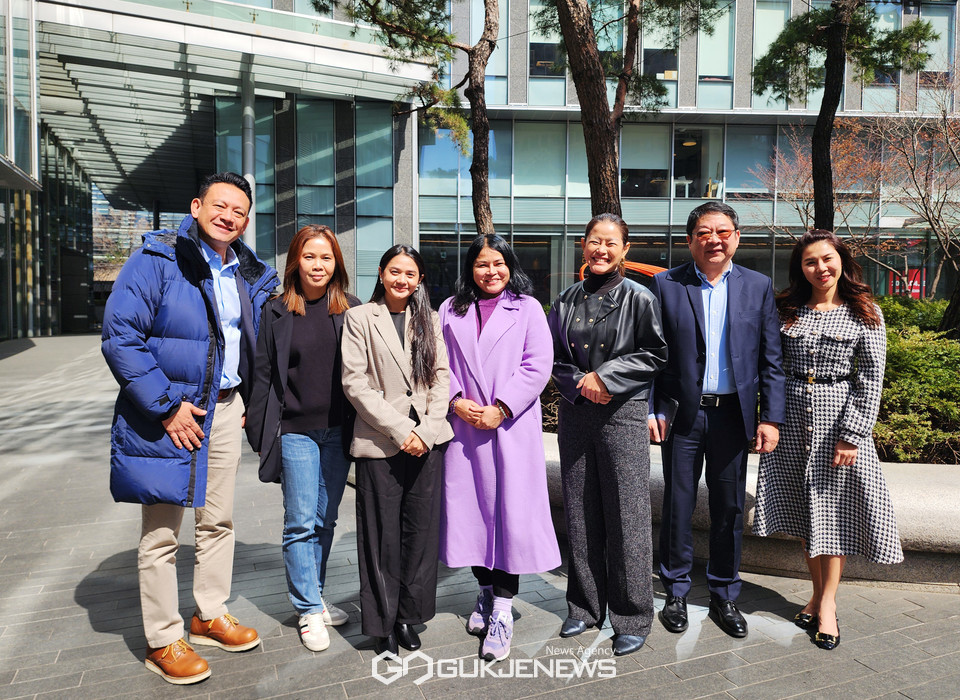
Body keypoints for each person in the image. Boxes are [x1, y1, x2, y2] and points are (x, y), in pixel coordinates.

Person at [101, 172, 278, 684]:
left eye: (239, 212)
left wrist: (244, 394)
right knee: (161, 533)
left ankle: (208, 612)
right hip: (170, 413)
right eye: (220, 206)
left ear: (247, 220)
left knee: (217, 520)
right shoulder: (159, 259)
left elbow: (252, 341)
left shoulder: (247, 272)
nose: (229, 217)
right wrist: (165, 406)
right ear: (197, 206)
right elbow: (120, 336)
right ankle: (163, 638)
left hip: (222, 409)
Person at [753, 229, 902, 651]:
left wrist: (852, 435)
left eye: (827, 259)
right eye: (810, 262)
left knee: (833, 517)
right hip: (792, 420)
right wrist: (770, 420)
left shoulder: (864, 311)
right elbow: (771, 368)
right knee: (807, 515)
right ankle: (816, 596)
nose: (820, 268)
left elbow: (871, 377)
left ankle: (829, 606)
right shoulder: (786, 309)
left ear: (841, 260)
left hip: (839, 422)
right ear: (800, 268)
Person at [649, 201, 785, 639]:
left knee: (729, 507)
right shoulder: (665, 285)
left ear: (736, 238)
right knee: (678, 504)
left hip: (733, 416)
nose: (714, 239)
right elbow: (652, 355)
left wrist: (771, 418)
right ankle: (676, 589)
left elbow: (771, 358)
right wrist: (653, 408)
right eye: (704, 232)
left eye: (723, 231)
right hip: (683, 416)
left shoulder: (757, 285)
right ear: (690, 241)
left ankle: (725, 592)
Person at [547, 213, 669, 657]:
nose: (601, 250)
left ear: (625, 250)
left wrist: (607, 377)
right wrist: (581, 382)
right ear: (584, 245)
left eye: (610, 243)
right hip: (578, 411)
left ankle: (633, 614)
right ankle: (583, 606)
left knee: (627, 514)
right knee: (579, 510)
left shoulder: (639, 297)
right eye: (594, 242)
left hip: (623, 413)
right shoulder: (565, 299)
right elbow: (553, 357)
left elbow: (655, 353)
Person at [439, 234, 560, 662]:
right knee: (473, 515)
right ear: (469, 269)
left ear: (510, 266)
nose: (490, 271)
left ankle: (504, 609)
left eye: (498, 263)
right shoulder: (449, 310)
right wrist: (456, 400)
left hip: (509, 427)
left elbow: (537, 364)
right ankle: (485, 592)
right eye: (481, 264)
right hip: (464, 427)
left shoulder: (528, 309)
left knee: (507, 516)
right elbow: (437, 364)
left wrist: (502, 407)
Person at [244, 225, 361, 652]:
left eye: (326, 257)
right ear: (296, 260)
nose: (318, 265)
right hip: (295, 430)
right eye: (310, 256)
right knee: (299, 521)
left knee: (325, 519)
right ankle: (308, 608)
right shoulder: (276, 310)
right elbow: (262, 375)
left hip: (338, 431)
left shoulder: (352, 309)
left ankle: (315, 594)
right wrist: (260, 433)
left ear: (337, 264)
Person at [341, 244, 454, 656]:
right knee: (379, 537)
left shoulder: (430, 319)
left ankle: (409, 615)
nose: (402, 279)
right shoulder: (359, 317)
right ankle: (381, 622)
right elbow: (355, 383)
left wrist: (426, 430)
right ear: (382, 273)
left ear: (419, 279)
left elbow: (442, 377)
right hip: (379, 441)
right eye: (394, 271)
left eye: (410, 273)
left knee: (420, 535)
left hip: (427, 442)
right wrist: (401, 429)